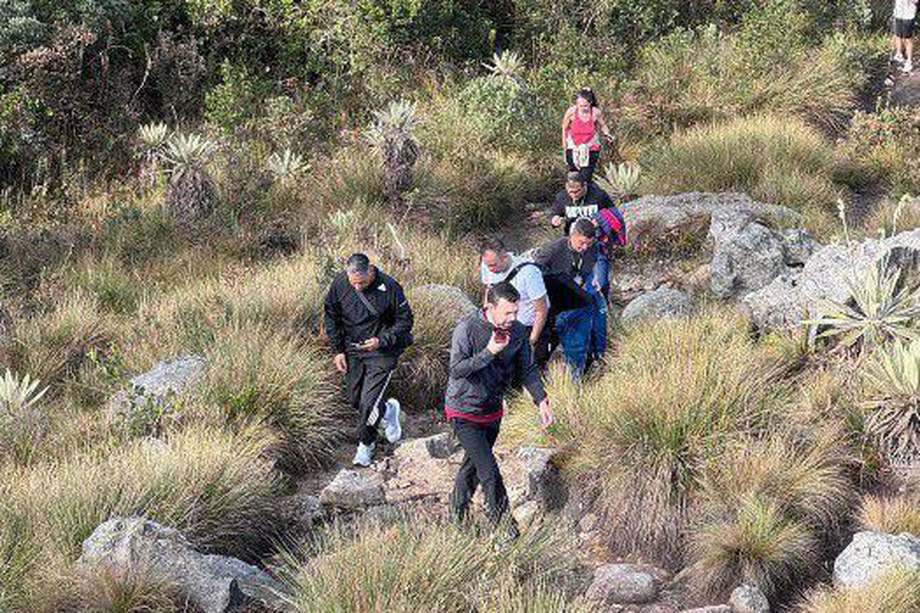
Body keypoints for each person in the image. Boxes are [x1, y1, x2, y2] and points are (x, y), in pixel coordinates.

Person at [445, 281, 553, 531]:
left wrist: (541, 399)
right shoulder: (467, 329)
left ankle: (457, 517)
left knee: (472, 467)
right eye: (507, 313)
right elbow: (457, 370)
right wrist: (489, 352)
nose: (512, 318)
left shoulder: (517, 332)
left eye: (515, 312)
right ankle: (506, 530)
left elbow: (528, 369)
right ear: (490, 307)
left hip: (492, 411)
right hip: (463, 410)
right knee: (490, 472)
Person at [323, 253, 414, 467]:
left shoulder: (390, 287)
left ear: (370, 271)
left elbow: (405, 321)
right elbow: (331, 315)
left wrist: (381, 340)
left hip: (382, 352)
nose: (357, 287)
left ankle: (366, 444)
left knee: (368, 403)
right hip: (353, 350)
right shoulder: (339, 284)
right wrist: (338, 350)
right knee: (355, 399)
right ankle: (389, 410)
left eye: (361, 283)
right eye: (353, 283)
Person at [533, 218, 598, 378]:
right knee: (547, 336)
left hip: (571, 294)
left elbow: (586, 272)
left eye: (588, 244)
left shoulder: (591, 249)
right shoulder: (553, 249)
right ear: (573, 235)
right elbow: (534, 272)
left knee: (592, 309)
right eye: (582, 243)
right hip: (550, 296)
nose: (584, 248)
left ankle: (587, 364)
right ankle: (538, 371)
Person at [479, 236, 550, 354]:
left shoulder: (529, 273)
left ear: (505, 257)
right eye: (487, 265)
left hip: (527, 327)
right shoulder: (486, 264)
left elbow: (541, 310)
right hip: (501, 326)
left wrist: (532, 341)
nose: (490, 269)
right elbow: (489, 290)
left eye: (493, 265)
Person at [561, 88, 615, 182]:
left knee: (585, 177)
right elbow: (564, 128)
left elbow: (603, 125)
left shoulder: (595, 112)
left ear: (590, 103)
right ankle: (576, 195)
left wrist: (607, 134)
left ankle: (588, 194)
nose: (583, 108)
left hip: (591, 147)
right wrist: (565, 146)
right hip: (573, 147)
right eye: (580, 105)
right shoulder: (571, 112)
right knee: (574, 177)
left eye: (585, 105)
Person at [551, 171, 615, 236]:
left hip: (597, 235)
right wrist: (555, 219)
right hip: (572, 236)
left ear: (584, 185)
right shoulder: (561, 197)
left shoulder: (599, 195)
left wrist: (601, 221)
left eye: (577, 191)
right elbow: (556, 213)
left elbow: (613, 214)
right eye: (570, 192)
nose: (574, 195)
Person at [893, 0, 918, 73]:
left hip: (908, 15)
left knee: (907, 39)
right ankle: (899, 55)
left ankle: (909, 62)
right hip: (898, 13)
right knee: (898, 35)